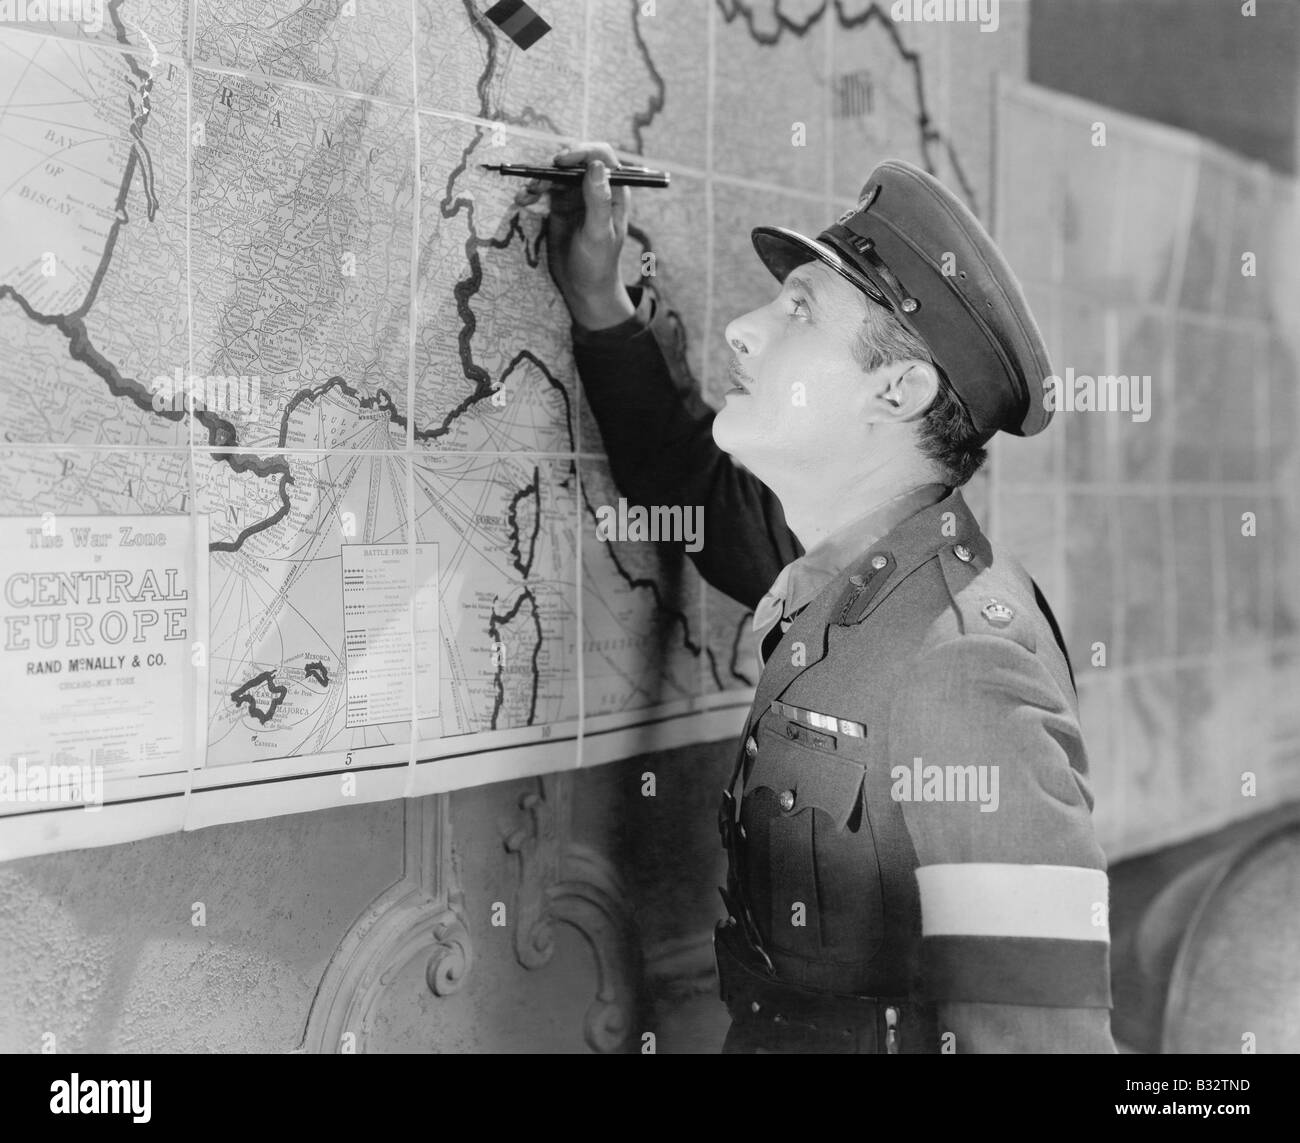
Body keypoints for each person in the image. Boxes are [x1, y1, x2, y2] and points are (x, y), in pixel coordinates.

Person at [529, 142, 1115, 1053]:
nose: (745, 328)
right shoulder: (839, 571)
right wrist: (602, 305)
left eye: (798, 310)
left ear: (900, 389)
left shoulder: (960, 671)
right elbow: (687, 480)